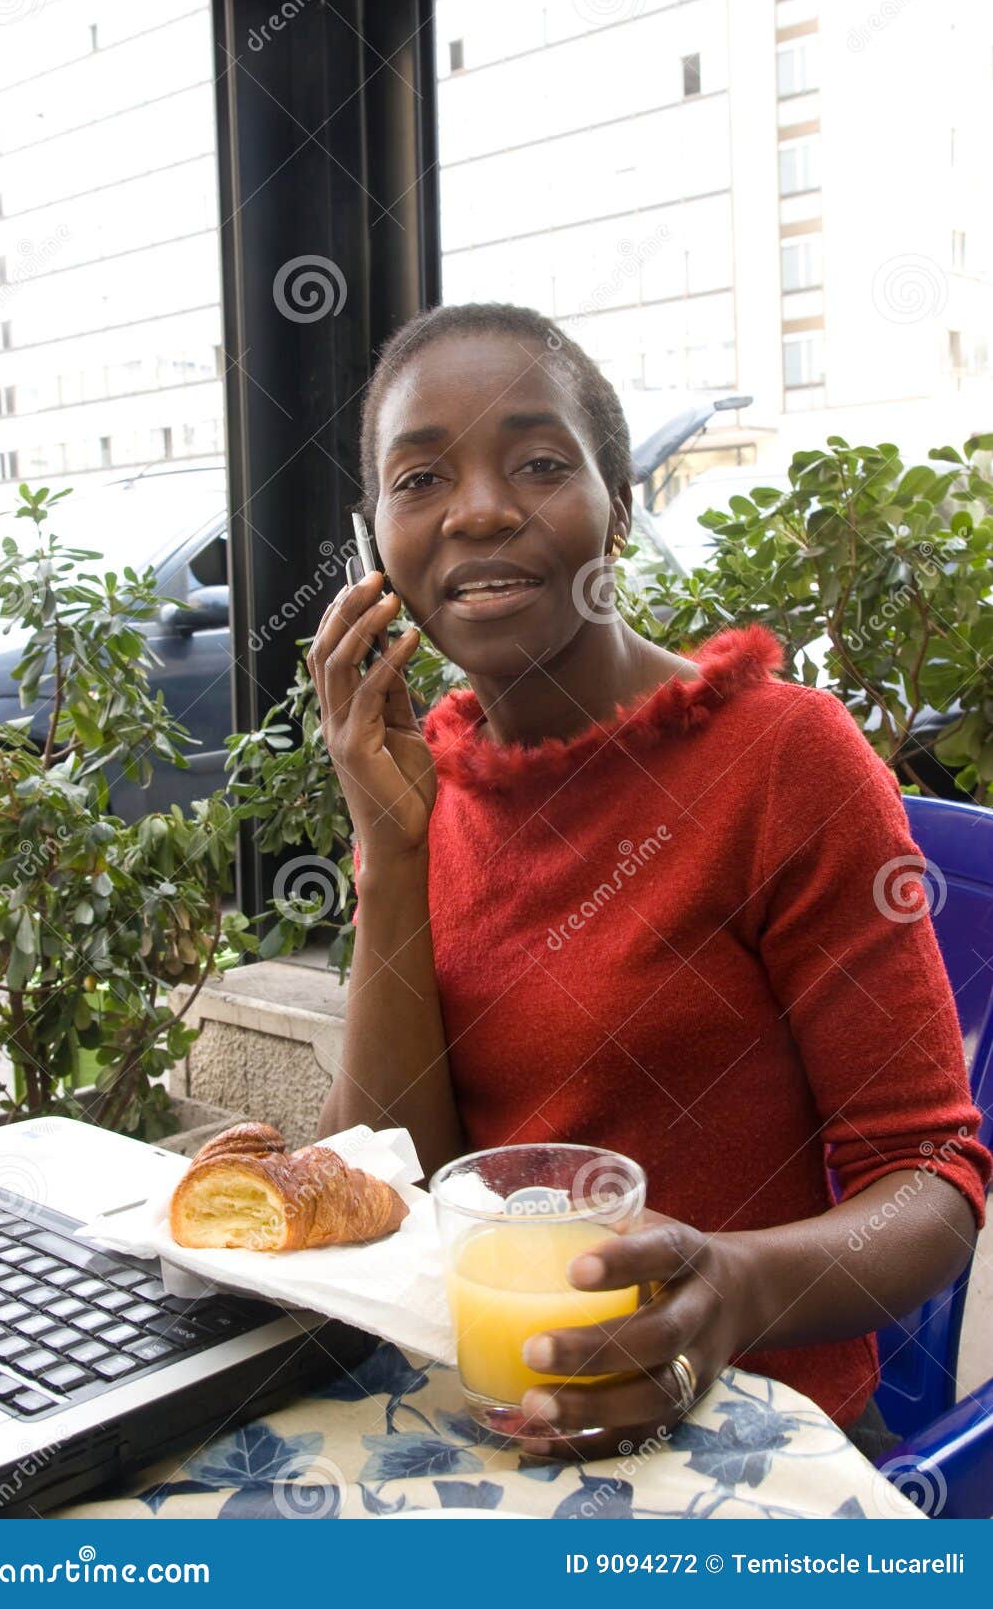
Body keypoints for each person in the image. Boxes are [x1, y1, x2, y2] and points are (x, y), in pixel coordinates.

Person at [308, 302, 990, 1461]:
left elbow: (928, 1180)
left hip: (748, 1435)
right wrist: (392, 851)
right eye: (419, 478)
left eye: (535, 461)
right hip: (491, 1415)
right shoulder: (421, 783)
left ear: (617, 506)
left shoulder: (781, 760)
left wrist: (725, 1287)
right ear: (377, 537)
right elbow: (389, 1168)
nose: (475, 509)